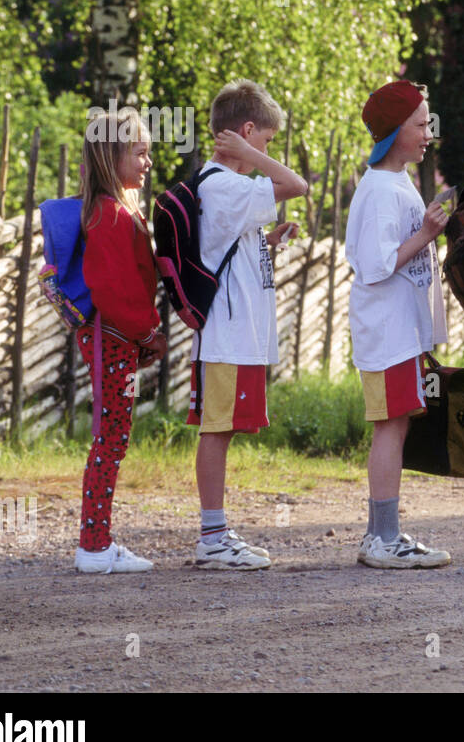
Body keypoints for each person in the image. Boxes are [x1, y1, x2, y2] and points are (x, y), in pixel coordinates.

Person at [187, 79, 306, 569]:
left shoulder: (228, 188)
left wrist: (269, 243)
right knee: (216, 430)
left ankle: (217, 531)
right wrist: (250, 156)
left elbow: (229, 251)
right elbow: (297, 185)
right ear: (247, 131)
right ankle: (212, 536)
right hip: (226, 338)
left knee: (224, 429)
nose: (268, 151)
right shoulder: (221, 183)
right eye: (267, 141)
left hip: (236, 336)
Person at [346, 80, 451, 569]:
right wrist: (427, 232)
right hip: (387, 334)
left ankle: (382, 534)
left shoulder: (399, 182)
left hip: (401, 334)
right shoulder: (381, 191)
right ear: (395, 130)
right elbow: (374, 263)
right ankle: (382, 539)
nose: (429, 131)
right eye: (420, 123)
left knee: (398, 424)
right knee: (390, 427)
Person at [74, 107, 167, 573]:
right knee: (110, 439)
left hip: (120, 342)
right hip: (114, 342)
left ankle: (98, 539)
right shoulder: (109, 215)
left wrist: (142, 336)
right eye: (140, 152)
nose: (148, 162)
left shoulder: (117, 209)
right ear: (112, 156)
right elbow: (114, 290)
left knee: (113, 437)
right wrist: (148, 331)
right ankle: (94, 545)